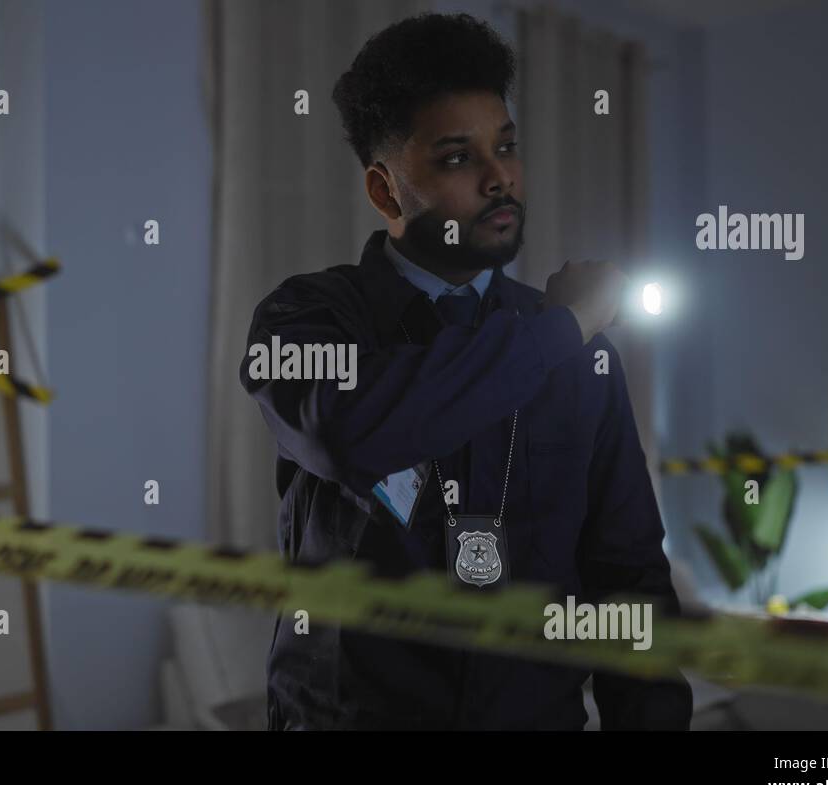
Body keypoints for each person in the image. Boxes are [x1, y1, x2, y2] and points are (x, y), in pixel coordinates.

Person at [240, 12, 692, 730]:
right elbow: (345, 430)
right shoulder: (305, 317)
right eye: (457, 158)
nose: (499, 178)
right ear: (386, 192)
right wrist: (565, 328)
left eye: (506, 146)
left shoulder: (580, 353)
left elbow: (626, 576)